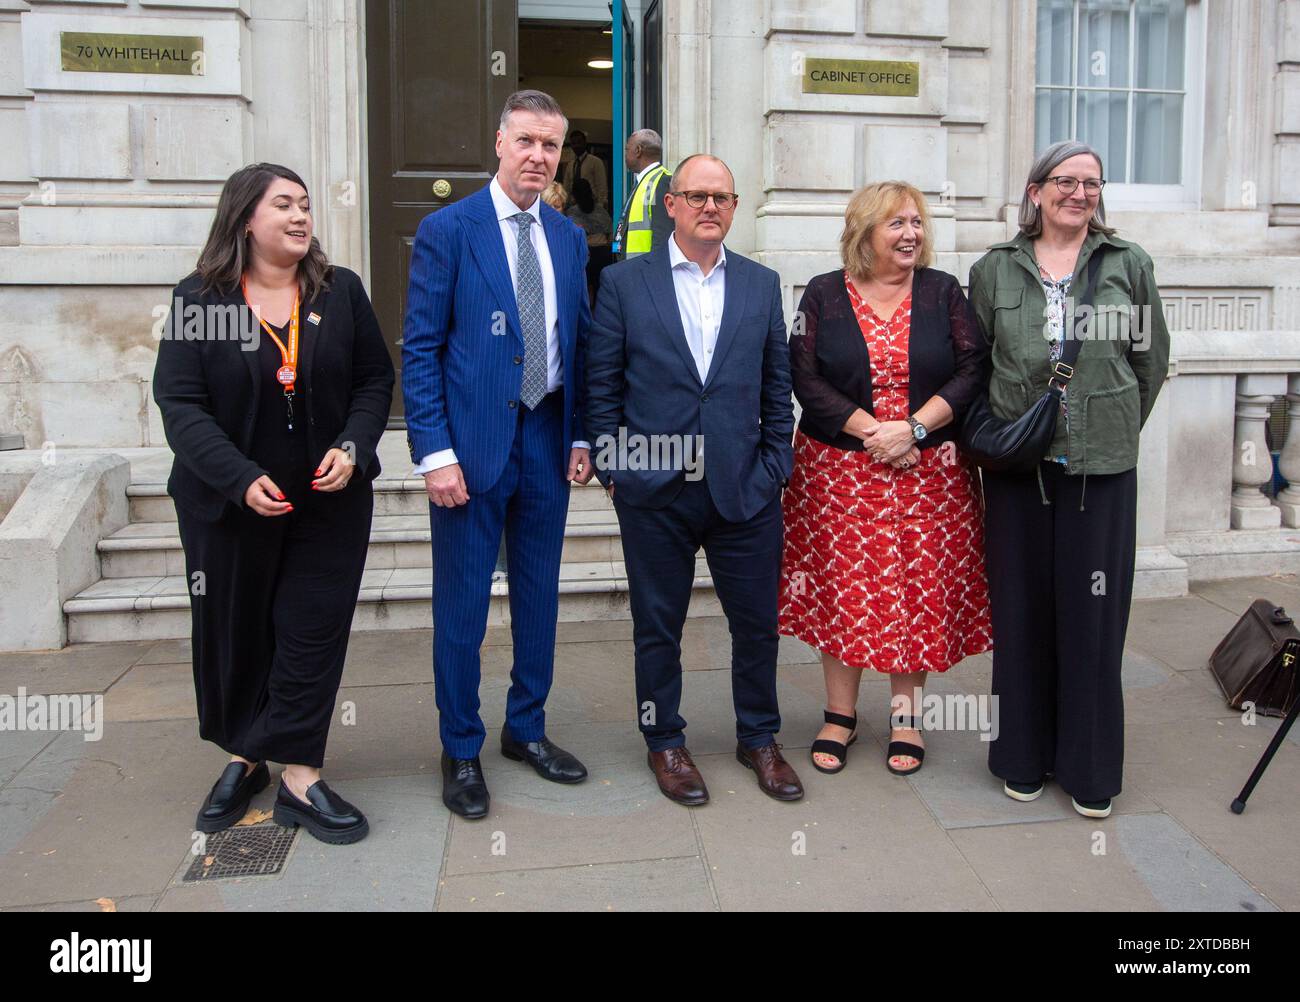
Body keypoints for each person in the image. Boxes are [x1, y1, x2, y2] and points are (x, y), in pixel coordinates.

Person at [153, 163, 394, 845]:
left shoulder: (339, 291)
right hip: (230, 507)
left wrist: (352, 446)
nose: (299, 216)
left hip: (328, 505)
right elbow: (180, 402)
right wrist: (236, 476)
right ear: (245, 218)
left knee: (311, 634)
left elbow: (375, 381)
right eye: (283, 204)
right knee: (239, 634)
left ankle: (300, 777)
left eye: (306, 205)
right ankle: (244, 754)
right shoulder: (201, 298)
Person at [402, 90, 595, 821]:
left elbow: (576, 343)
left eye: (552, 145)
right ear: (499, 143)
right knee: (462, 613)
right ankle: (460, 748)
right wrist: (435, 454)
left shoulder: (569, 238)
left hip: (547, 444)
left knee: (539, 602)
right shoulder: (449, 230)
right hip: (471, 452)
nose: (540, 157)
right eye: (527, 142)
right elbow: (419, 349)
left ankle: (527, 730)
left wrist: (580, 435)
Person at [587, 154, 802, 807]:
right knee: (658, 625)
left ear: (734, 208)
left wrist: (774, 467)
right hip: (656, 492)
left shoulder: (762, 285)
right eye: (697, 195)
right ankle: (665, 742)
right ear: (671, 204)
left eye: (722, 197)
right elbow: (603, 390)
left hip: (745, 489)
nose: (710, 207)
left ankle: (759, 737)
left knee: (758, 624)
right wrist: (616, 470)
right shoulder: (625, 284)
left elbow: (776, 388)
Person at [968, 140, 1170, 819]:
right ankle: (1021, 756)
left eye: (1090, 183)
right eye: (1064, 181)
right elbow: (979, 364)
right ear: (1035, 192)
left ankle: (1089, 767)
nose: (1078, 193)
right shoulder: (993, 271)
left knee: (1093, 619)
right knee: (1021, 614)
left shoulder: (1126, 264)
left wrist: (1109, 426)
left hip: (1100, 473)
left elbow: (1150, 362)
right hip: (1019, 472)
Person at [780, 181, 992, 777]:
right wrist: (875, 431)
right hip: (839, 472)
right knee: (842, 590)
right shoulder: (823, 294)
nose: (910, 234)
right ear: (864, 232)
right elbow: (802, 374)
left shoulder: (942, 292)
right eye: (895, 223)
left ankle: (906, 720)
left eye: (916, 223)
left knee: (917, 593)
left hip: (929, 474)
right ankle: (839, 716)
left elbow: (975, 367)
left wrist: (916, 429)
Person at [612, 128, 671, 259]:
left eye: (627, 149)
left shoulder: (662, 182)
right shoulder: (645, 181)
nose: (625, 155)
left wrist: (653, 274)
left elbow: (663, 238)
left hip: (643, 274)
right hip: (632, 270)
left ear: (638, 150)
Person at [565, 178, 613, 303]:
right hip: (603, 253)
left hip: (584, 253)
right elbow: (611, 234)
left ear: (573, 195)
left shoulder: (570, 213)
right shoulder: (601, 211)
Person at [563, 129, 608, 212]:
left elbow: (601, 186)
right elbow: (566, 188)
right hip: (574, 207)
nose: (576, 146)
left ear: (584, 143)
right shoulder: (570, 165)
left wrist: (601, 208)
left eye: (579, 142)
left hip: (593, 207)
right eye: (573, 143)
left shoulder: (595, 162)